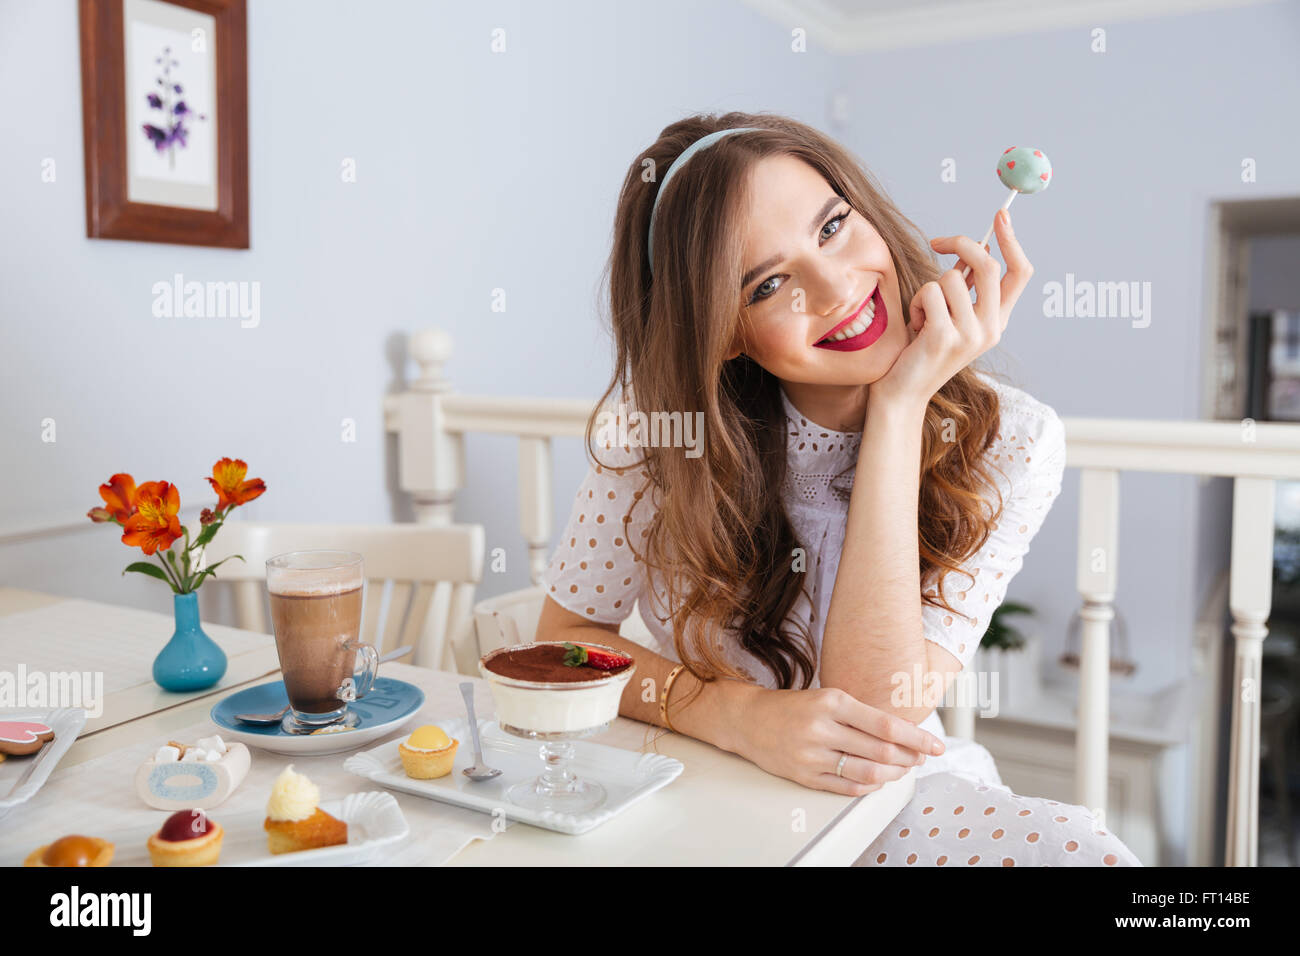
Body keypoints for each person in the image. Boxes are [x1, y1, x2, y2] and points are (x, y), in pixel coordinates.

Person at [535, 112, 1141, 866]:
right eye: (770, 283)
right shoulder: (661, 436)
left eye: (833, 227)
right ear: (723, 331)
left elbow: (878, 703)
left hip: (886, 812)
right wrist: (737, 716)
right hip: (694, 791)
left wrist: (901, 404)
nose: (837, 288)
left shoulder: (1015, 439)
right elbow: (562, 645)